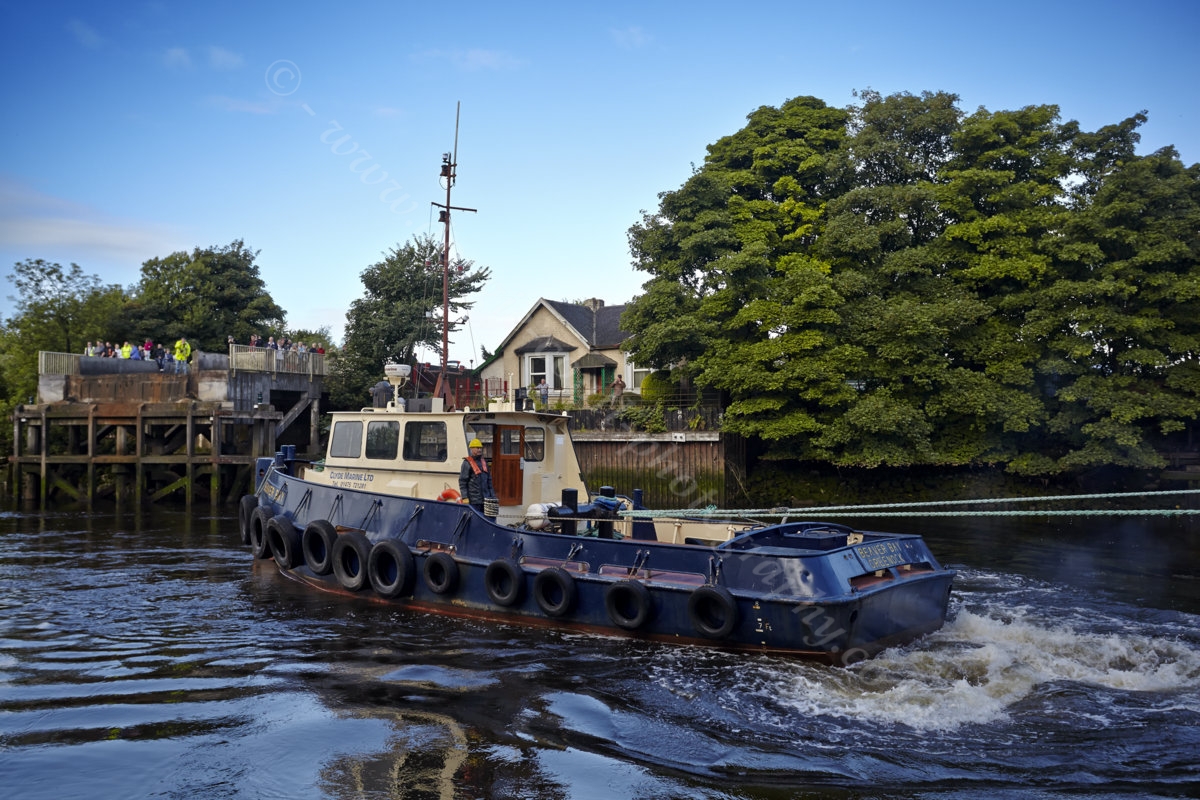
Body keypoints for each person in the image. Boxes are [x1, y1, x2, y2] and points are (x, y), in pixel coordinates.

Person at [458, 438, 494, 514]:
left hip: (486, 500)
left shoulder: (484, 462)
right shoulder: (467, 463)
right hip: (473, 501)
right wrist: (465, 497)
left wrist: (492, 496)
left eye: (480, 448)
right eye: (477, 448)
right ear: (472, 449)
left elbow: (489, 481)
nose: (479, 449)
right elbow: (462, 481)